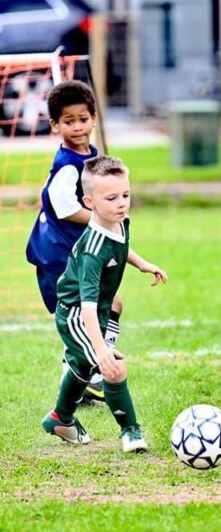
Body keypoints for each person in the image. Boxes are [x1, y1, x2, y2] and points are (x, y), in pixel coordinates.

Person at [41, 155, 168, 452]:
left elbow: (121, 246)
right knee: (113, 369)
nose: (121, 203)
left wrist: (143, 264)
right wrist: (103, 350)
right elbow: (85, 308)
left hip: (97, 309)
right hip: (76, 315)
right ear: (89, 202)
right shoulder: (91, 251)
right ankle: (131, 431)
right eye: (111, 198)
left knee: (82, 368)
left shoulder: (118, 222)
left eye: (125, 194)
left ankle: (60, 418)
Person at [26, 80, 122, 404]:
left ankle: (90, 370)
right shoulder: (67, 165)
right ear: (55, 125)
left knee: (111, 306)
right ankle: (92, 371)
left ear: (94, 119)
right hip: (58, 257)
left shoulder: (90, 155)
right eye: (69, 121)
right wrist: (102, 216)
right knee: (80, 321)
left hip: (77, 254)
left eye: (83, 119)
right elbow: (64, 206)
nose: (78, 126)